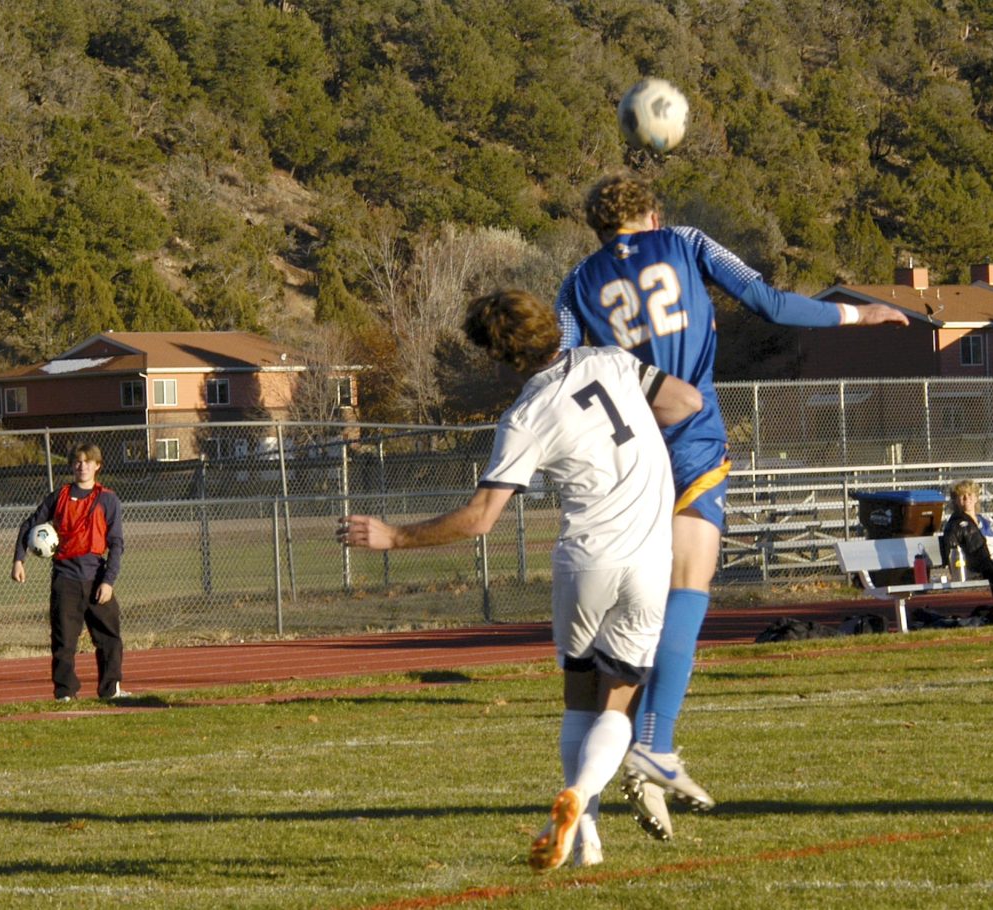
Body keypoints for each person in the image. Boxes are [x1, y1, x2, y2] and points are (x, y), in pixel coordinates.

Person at [556, 171, 910, 828]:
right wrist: (858, 313)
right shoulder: (685, 241)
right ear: (653, 215)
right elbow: (768, 302)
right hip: (690, 438)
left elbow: (561, 367)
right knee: (686, 589)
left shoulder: (576, 281)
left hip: (622, 453)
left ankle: (606, 779)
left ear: (599, 227)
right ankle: (654, 744)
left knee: (631, 611)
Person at [338, 288, 702, 869]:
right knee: (619, 705)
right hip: (647, 562)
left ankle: (586, 835)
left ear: (500, 356)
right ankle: (581, 809)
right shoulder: (612, 361)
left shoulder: (526, 417)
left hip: (586, 563)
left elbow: (481, 518)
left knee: (578, 701)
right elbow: (685, 401)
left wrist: (395, 536)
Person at [11, 443, 130, 702]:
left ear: (97, 466)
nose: (82, 466)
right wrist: (19, 559)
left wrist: (108, 581)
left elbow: (116, 543)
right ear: (72, 466)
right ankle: (65, 693)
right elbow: (29, 525)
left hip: (96, 579)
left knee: (109, 638)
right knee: (64, 641)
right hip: (65, 580)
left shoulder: (108, 499)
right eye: (78, 461)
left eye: (88, 462)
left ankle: (111, 689)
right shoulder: (59, 497)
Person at [941, 480, 993, 594]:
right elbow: (980, 556)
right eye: (962, 496)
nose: (967, 498)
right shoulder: (959, 524)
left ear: (976, 498)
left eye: (970, 494)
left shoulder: (987, 521)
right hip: (979, 571)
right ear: (955, 501)